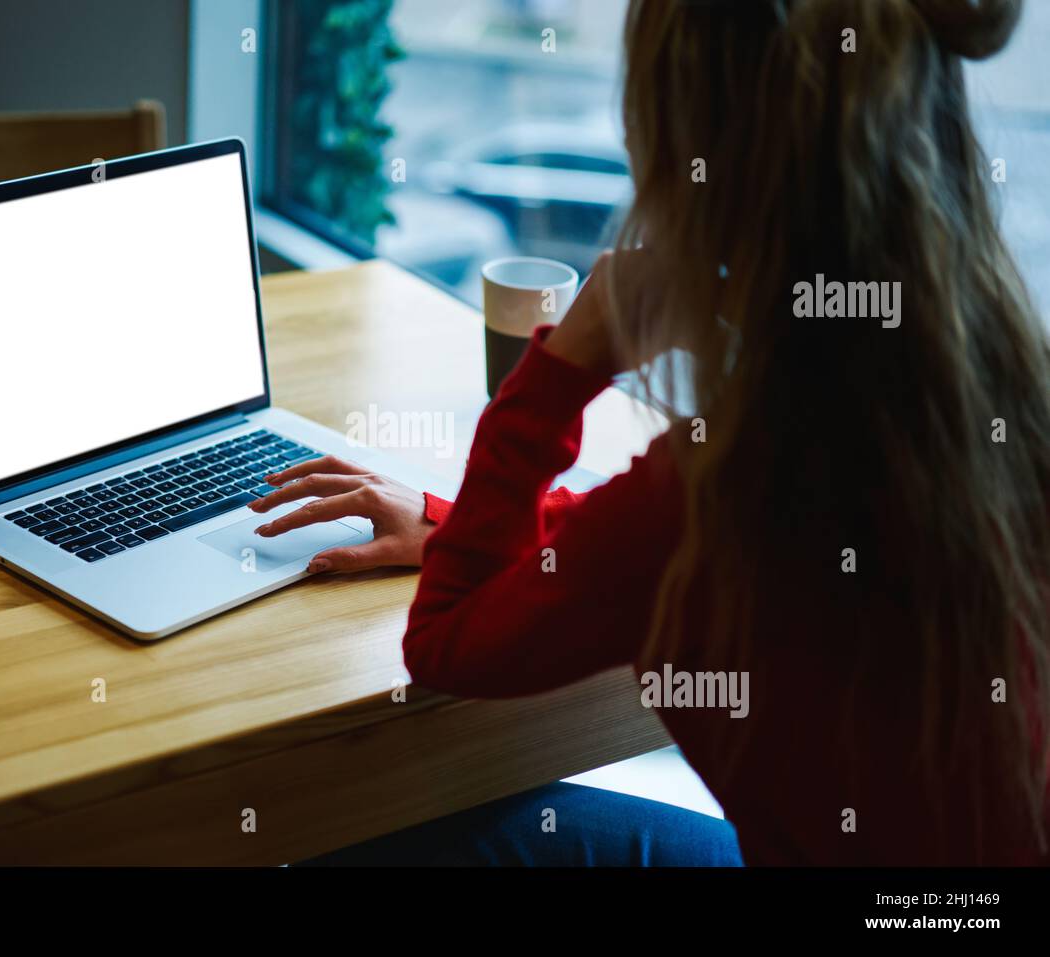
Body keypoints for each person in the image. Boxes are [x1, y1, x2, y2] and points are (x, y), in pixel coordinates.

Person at [256, 0, 1050, 865]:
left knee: (377, 836)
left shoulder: (717, 496)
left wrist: (561, 372)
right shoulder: (1005, 409)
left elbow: (444, 646)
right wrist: (451, 525)